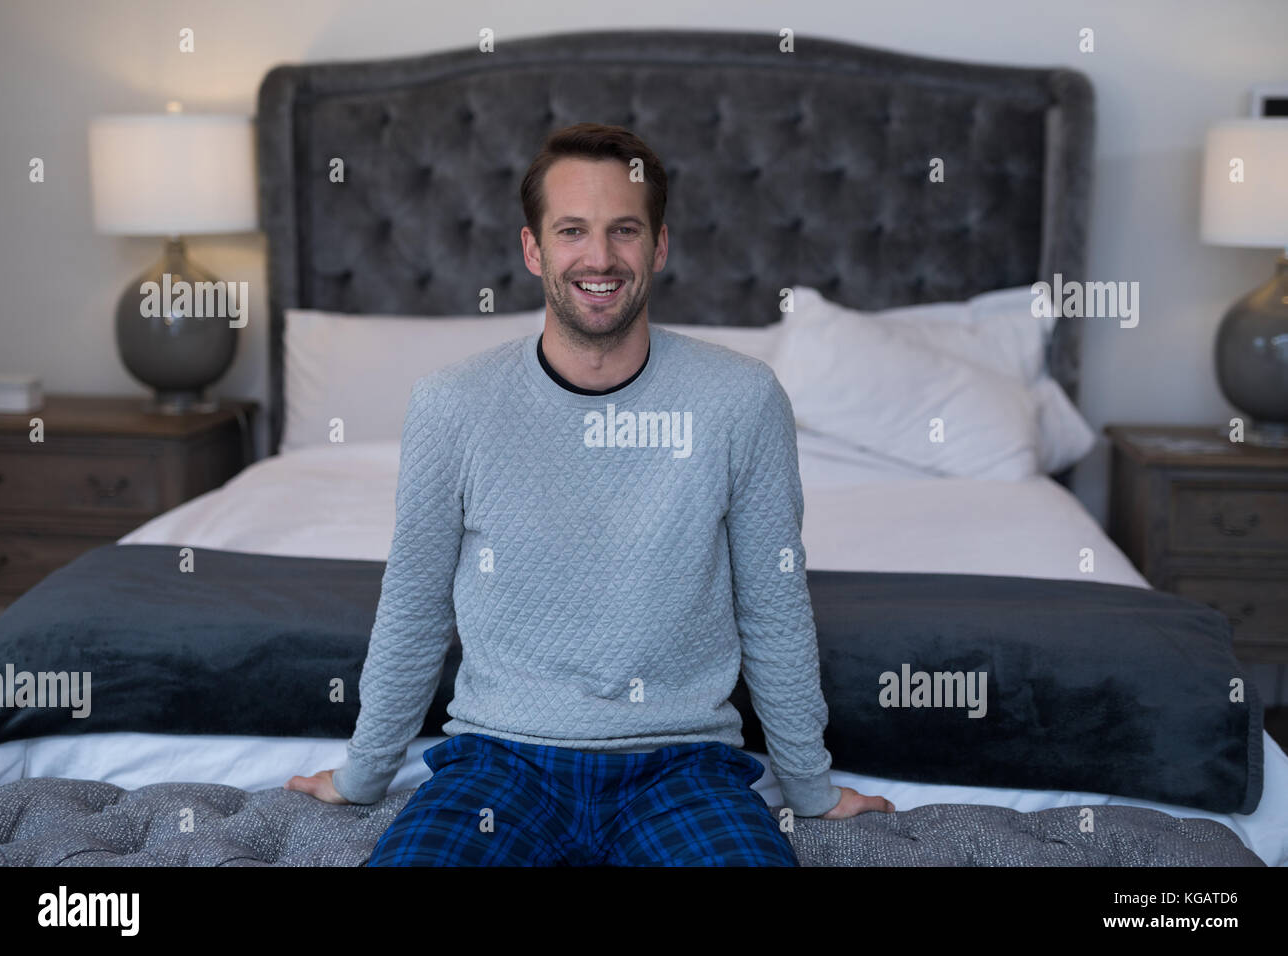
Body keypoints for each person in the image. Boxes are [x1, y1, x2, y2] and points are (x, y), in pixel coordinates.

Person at [286, 122, 893, 865]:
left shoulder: (741, 399)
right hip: (498, 763)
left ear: (659, 246)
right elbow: (414, 602)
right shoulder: (453, 404)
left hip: (684, 767)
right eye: (572, 230)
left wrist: (810, 787)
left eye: (624, 231)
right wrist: (362, 775)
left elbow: (774, 603)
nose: (599, 258)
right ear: (533, 248)